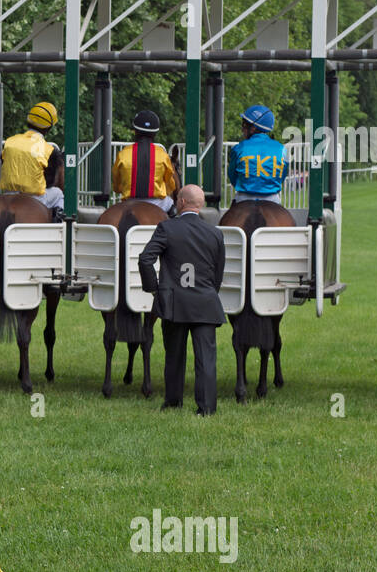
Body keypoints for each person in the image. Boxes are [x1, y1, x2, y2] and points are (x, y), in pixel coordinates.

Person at [139, 184, 226, 416]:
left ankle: (173, 401)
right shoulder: (216, 233)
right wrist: (209, 292)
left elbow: (145, 259)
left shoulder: (167, 227)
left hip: (174, 303)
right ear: (202, 205)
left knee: (174, 356)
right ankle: (206, 408)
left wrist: (155, 290)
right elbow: (218, 272)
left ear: (181, 203)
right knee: (206, 359)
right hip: (205, 302)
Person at [0, 101, 65, 220]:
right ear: (48, 127)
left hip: (9, 194)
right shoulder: (49, 150)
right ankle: (60, 226)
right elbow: (49, 182)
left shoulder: (9, 142)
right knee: (58, 194)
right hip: (35, 197)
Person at [112, 109, 178, 213]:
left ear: (135, 131)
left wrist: (122, 189)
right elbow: (170, 185)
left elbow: (116, 185)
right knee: (174, 210)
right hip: (158, 203)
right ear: (155, 133)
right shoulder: (162, 155)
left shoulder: (123, 154)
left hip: (129, 201)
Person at [228, 104, 288, 204]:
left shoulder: (239, 148)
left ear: (253, 128)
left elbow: (233, 177)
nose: (242, 129)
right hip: (272, 198)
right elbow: (282, 176)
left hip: (244, 198)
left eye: (244, 125)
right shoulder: (281, 149)